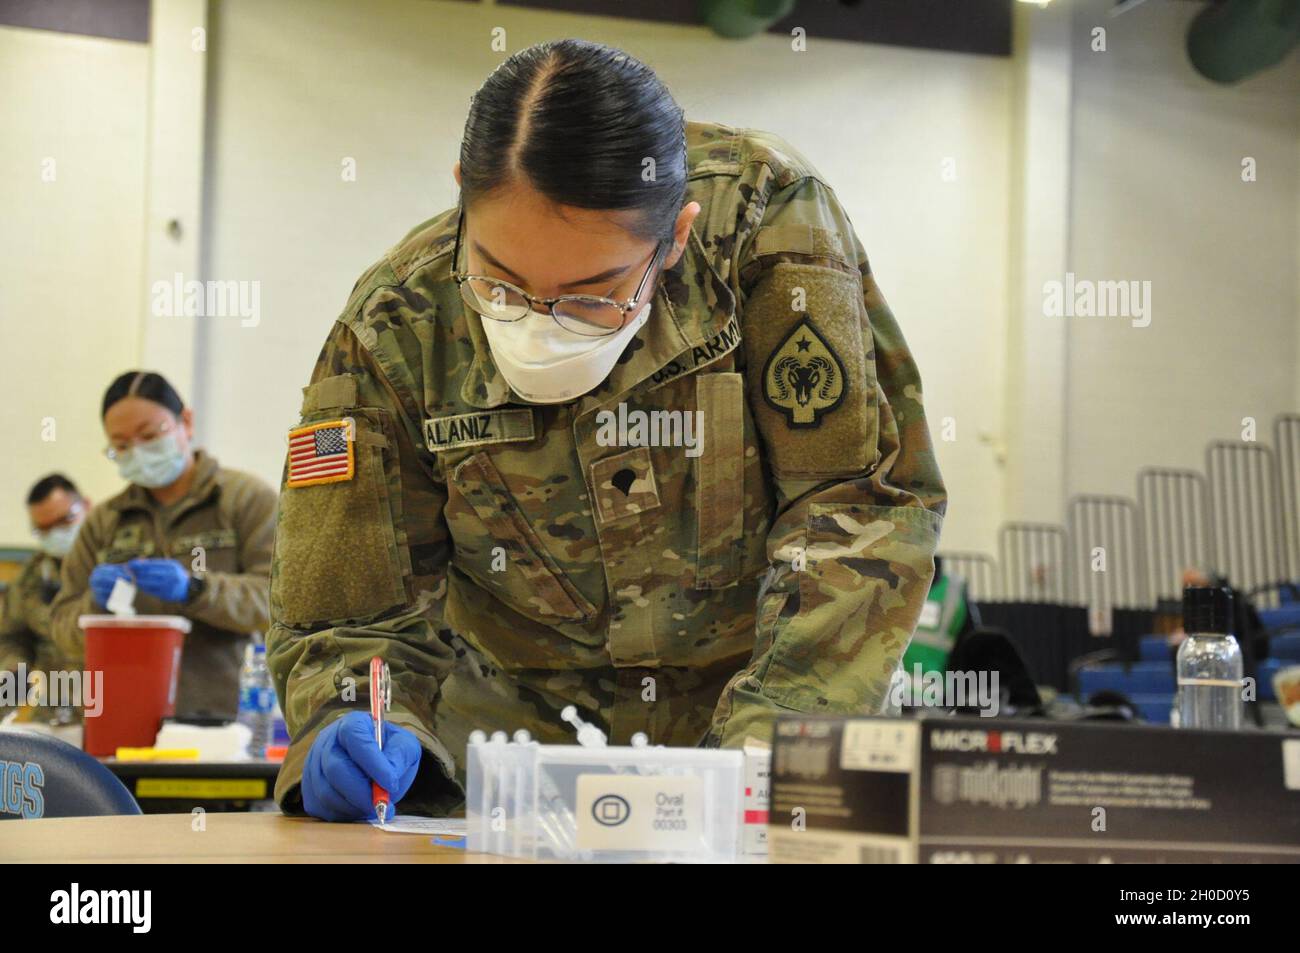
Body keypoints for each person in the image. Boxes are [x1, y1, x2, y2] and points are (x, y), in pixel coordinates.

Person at [268, 38, 946, 820]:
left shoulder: (766, 228)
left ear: (678, 238)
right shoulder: (396, 323)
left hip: (763, 727)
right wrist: (351, 716)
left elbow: (859, 505)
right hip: (514, 772)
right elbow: (350, 609)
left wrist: (769, 750)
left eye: (592, 295)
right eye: (500, 281)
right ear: (463, 195)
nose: (539, 321)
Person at [50, 371, 278, 718]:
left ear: (185, 422)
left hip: (223, 720)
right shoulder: (105, 523)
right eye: (122, 446)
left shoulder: (245, 500)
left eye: (149, 435)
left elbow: (279, 603)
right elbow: (64, 630)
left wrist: (197, 590)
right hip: (123, 717)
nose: (138, 452)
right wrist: (95, 606)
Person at [0, 474, 91, 686]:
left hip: (109, 699)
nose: (56, 534)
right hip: (53, 706)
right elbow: (13, 637)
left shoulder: (115, 565)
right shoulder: (31, 577)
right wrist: (15, 669)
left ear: (86, 506)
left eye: (65, 520)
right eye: (44, 529)